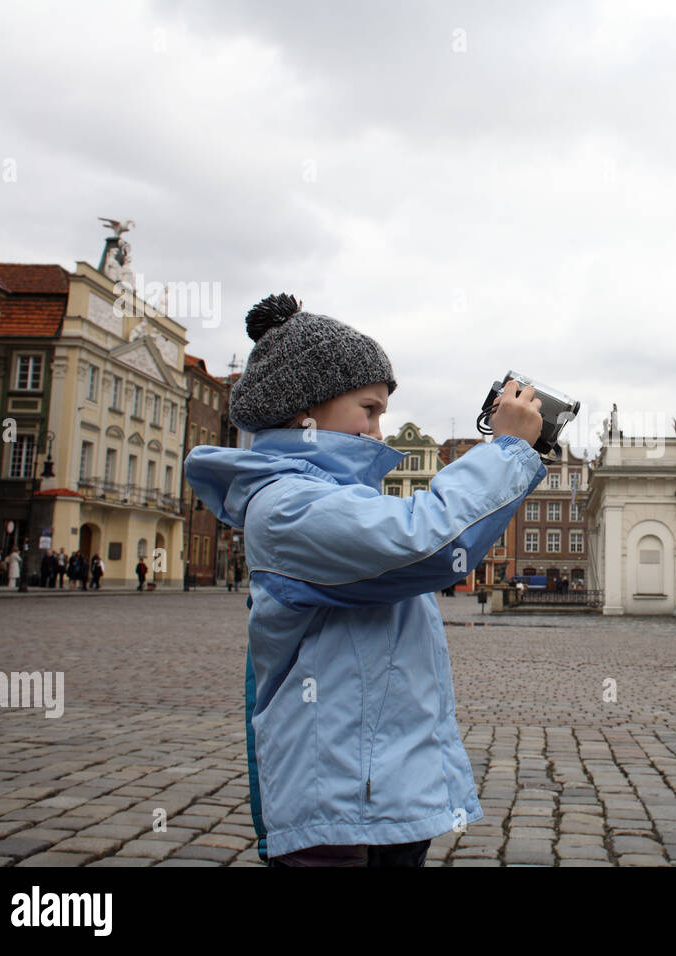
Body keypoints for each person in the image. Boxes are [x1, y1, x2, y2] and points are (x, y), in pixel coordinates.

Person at [184, 293, 546, 867]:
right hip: (335, 796)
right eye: (369, 409)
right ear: (306, 410)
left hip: (381, 787)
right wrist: (504, 450)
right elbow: (427, 540)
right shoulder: (286, 506)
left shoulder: (332, 498)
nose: (380, 430)